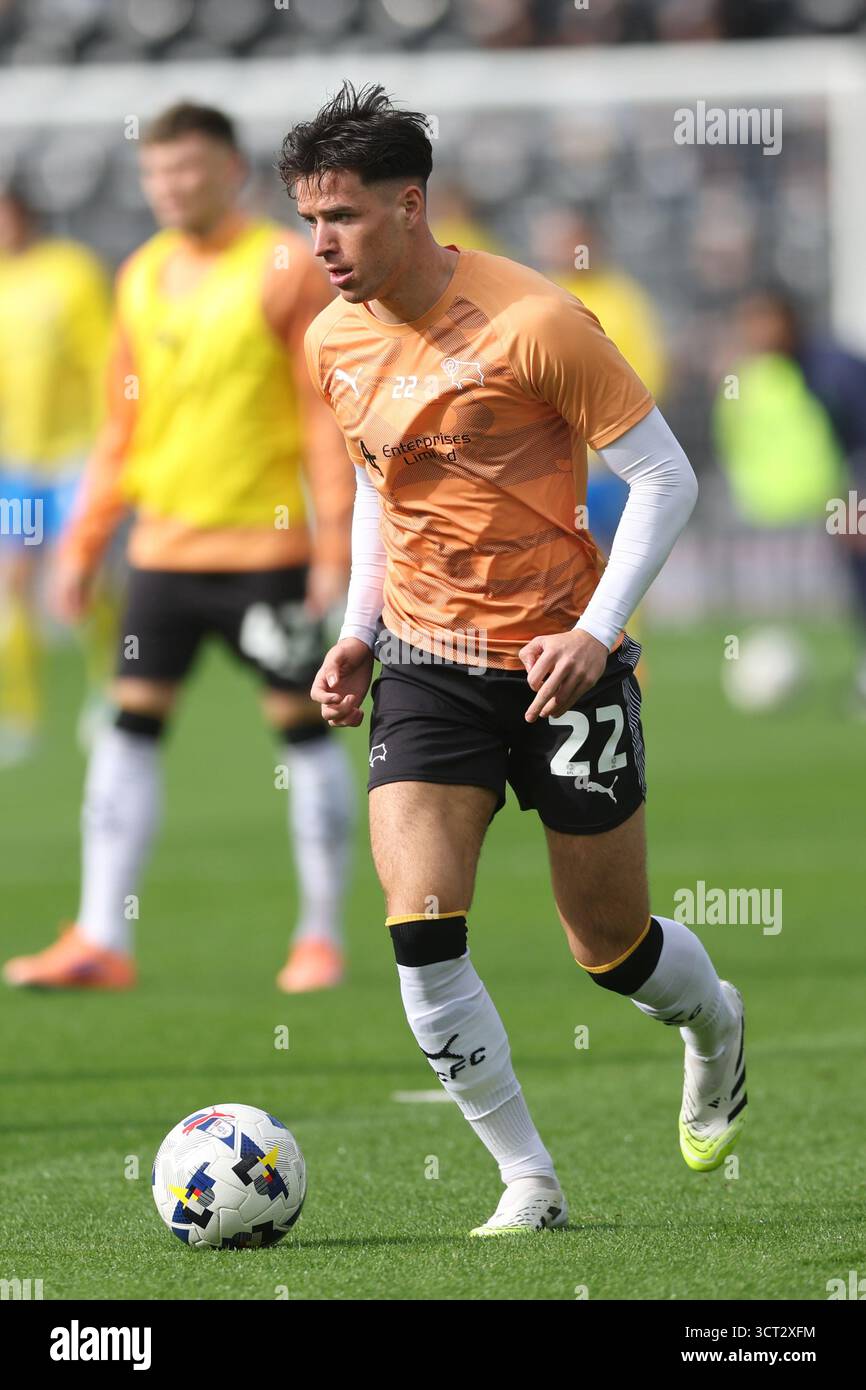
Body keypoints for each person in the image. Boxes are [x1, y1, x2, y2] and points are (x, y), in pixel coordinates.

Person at [278, 82, 747, 1235]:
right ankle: (527, 1180)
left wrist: (595, 635)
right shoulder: (329, 339)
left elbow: (662, 477)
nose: (320, 244)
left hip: (560, 667)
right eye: (305, 221)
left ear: (408, 203)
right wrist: (354, 627)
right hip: (427, 666)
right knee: (420, 929)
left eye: (338, 217)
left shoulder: (534, 322)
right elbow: (384, 493)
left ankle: (712, 1020)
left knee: (613, 953)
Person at [3, 103, 355, 995]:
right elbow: (124, 423)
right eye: (157, 173)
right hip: (162, 550)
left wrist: (332, 547)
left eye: (188, 170)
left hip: (267, 549)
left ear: (232, 169)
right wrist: (83, 542)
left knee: (302, 731)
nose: (171, 188)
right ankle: (98, 937)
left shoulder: (283, 267)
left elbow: (323, 417)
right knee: (128, 727)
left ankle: (319, 937)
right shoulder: (142, 273)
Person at [0, 186, 112, 765]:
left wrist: (106, 443)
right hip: (18, 465)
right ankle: (19, 715)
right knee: (13, 585)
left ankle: (107, 690)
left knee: (80, 578)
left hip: (74, 456)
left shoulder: (70, 273)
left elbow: (103, 358)